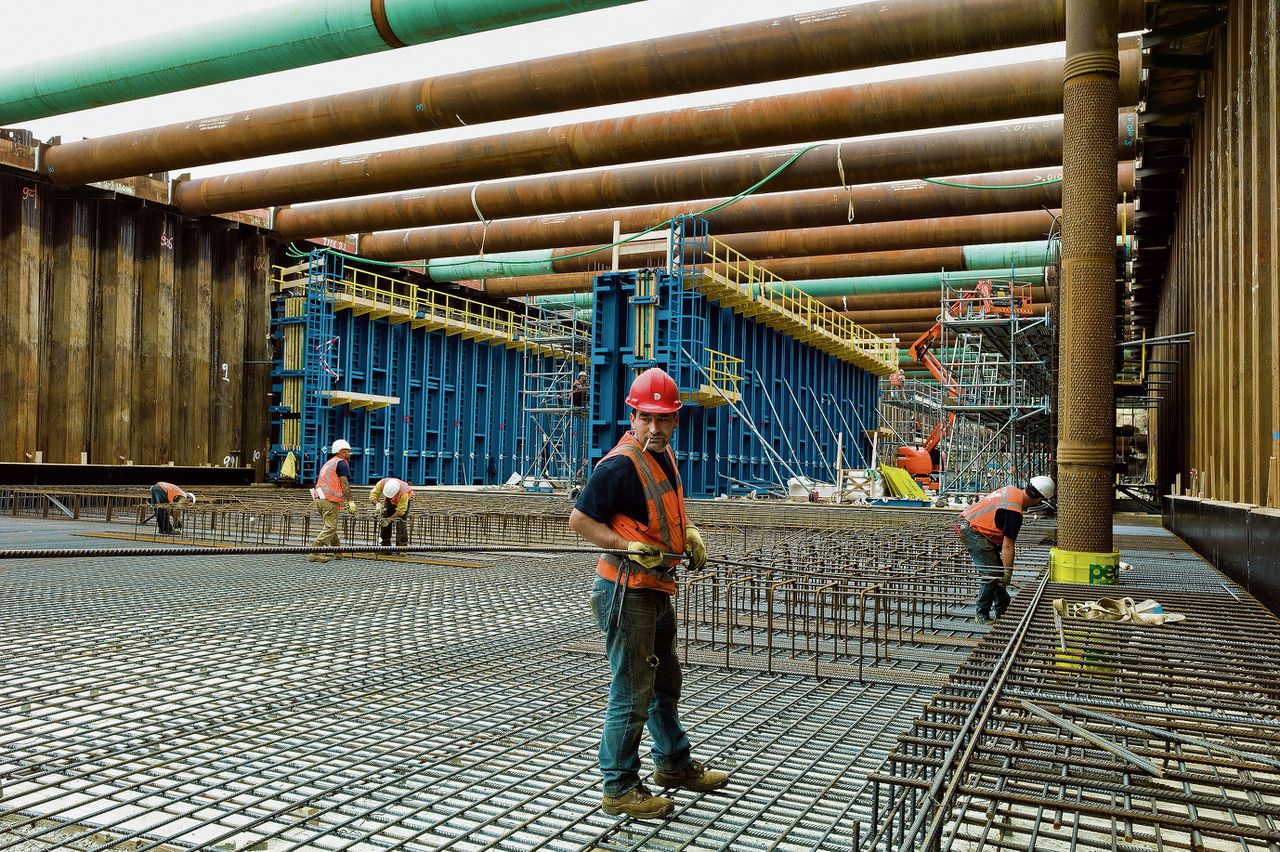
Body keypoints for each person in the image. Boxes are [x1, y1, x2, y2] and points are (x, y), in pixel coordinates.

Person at [568, 367, 728, 820]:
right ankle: (619, 787)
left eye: (663, 418)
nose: (654, 428)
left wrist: (689, 531)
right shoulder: (619, 465)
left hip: (656, 588)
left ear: (676, 419)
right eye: (646, 418)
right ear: (632, 417)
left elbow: (666, 510)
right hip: (626, 592)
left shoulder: (664, 454)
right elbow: (580, 520)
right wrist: (626, 546)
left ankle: (673, 763)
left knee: (664, 682)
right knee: (632, 689)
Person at [957, 475, 1055, 622]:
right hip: (974, 531)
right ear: (1039, 499)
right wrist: (1008, 573)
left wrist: (1004, 571)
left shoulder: (1012, 490)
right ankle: (981, 613)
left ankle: (1002, 609)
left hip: (977, 527)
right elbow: (1008, 545)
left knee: (997, 572)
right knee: (991, 573)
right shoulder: (1014, 513)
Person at [310, 439, 357, 562]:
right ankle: (315, 551)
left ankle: (337, 552)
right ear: (342, 452)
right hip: (329, 500)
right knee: (330, 527)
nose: (350, 454)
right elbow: (344, 484)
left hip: (319, 498)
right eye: (348, 451)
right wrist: (350, 501)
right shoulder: (341, 463)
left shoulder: (329, 463)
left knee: (330, 525)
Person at [369, 476, 412, 547]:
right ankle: (385, 543)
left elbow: (401, 512)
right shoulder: (382, 483)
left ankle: (402, 545)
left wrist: (389, 520)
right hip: (389, 501)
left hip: (402, 502)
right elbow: (373, 494)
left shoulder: (404, 493)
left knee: (401, 522)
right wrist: (377, 504)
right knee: (384, 520)